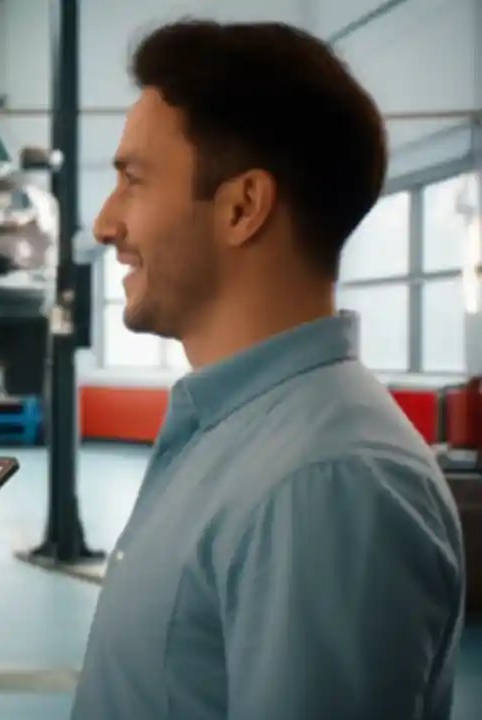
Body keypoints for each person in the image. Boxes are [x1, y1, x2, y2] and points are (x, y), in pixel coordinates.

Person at [73, 19, 466, 720]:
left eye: (133, 180)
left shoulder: (326, 484)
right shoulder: (237, 434)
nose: (105, 223)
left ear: (243, 207)